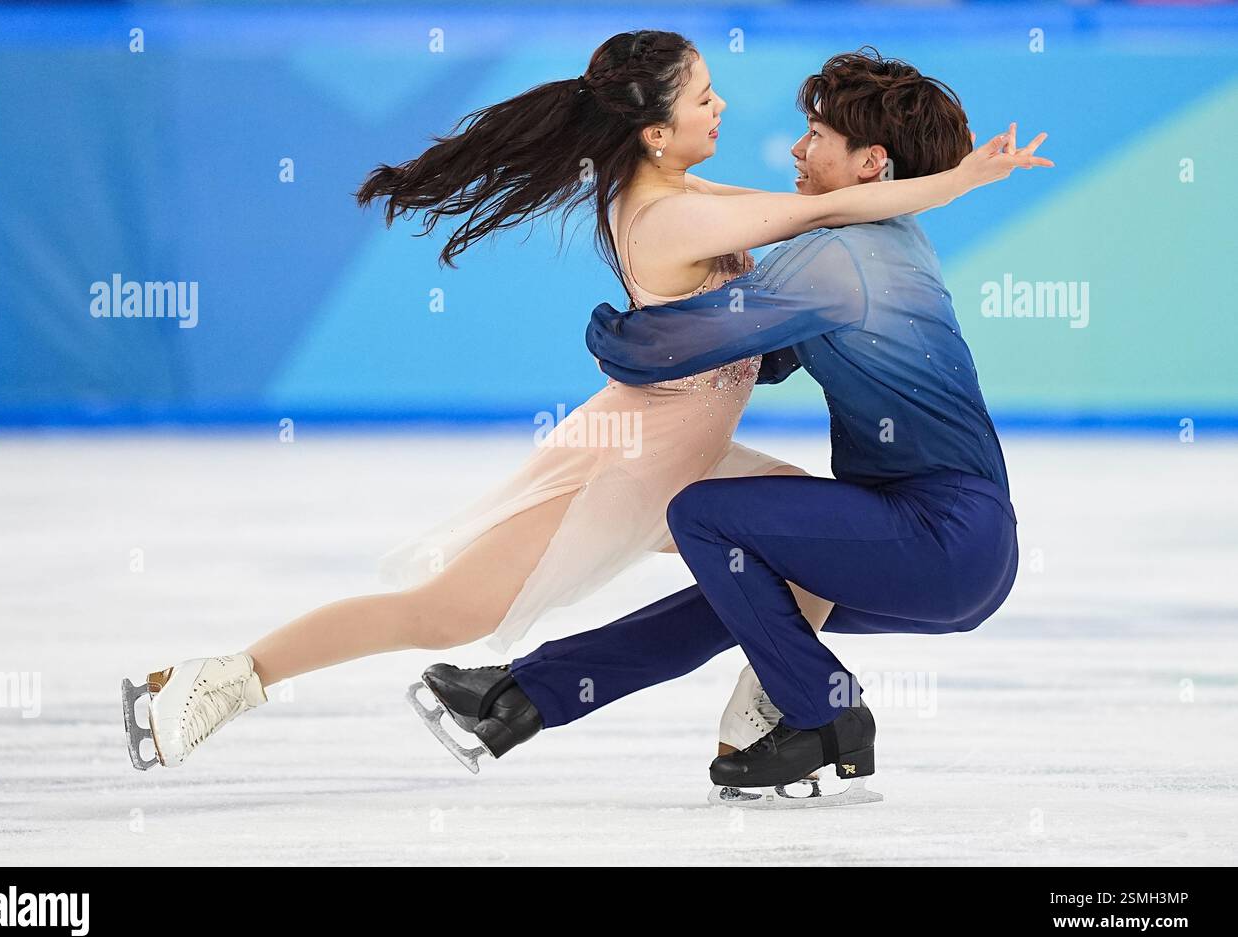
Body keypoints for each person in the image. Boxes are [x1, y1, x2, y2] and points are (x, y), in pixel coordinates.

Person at [120, 36, 1040, 772]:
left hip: (699, 452)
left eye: (810, 135)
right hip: (636, 452)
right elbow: (801, 230)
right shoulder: (686, 215)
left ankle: (760, 708)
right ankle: (224, 680)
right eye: (704, 100)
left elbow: (814, 236)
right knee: (447, 609)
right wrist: (960, 182)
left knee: (786, 552)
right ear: (655, 132)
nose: (733, 115)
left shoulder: (694, 194)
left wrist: (947, 181)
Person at [416, 50, 1051, 803]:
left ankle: (826, 717)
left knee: (702, 515)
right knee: (744, 592)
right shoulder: (889, 240)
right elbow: (771, 357)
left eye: (815, 133)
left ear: (870, 163)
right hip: (962, 547)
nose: (796, 148)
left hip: (937, 536)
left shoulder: (833, 255)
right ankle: (527, 699)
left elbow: (659, 352)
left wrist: (621, 314)